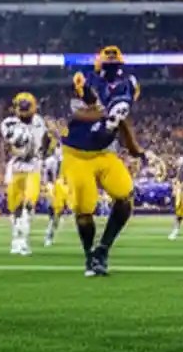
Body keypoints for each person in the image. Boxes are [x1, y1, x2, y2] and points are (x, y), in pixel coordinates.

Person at [61, 47, 150, 276]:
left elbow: (122, 122)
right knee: (84, 213)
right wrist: (107, 112)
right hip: (77, 154)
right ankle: (89, 255)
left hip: (104, 153)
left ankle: (103, 249)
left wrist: (136, 150)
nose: (111, 60)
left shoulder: (126, 85)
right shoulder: (84, 80)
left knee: (125, 196)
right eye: (107, 56)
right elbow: (77, 115)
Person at [0, 92, 50, 256]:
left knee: (29, 205)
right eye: (21, 106)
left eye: (26, 106)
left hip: (34, 165)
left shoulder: (39, 122)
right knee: (15, 208)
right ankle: (16, 239)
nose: (23, 110)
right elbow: (16, 144)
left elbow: (43, 142)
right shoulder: (9, 123)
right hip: (16, 166)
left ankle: (23, 240)